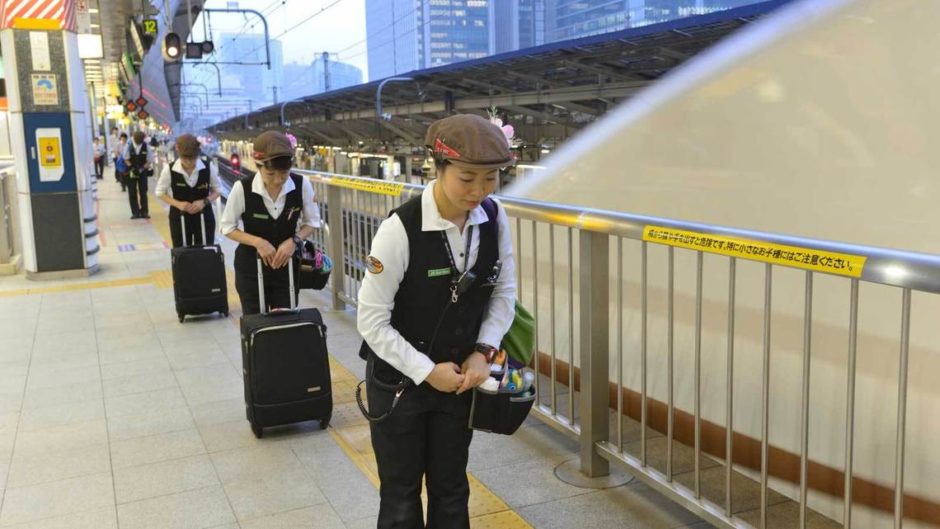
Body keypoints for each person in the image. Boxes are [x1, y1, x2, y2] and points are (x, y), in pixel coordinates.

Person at [356, 114, 517, 528]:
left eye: (491, 178)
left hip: (459, 380)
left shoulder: (495, 220)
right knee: (400, 494)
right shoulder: (400, 229)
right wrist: (427, 372)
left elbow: (504, 292)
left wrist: (483, 353)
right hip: (398, 384)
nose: (479, 191)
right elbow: (371, 321)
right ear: (439, 168)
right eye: (467, 178)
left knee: (451, 489)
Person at [219, 130, 321, 315]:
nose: (278, 180)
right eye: (270, 173)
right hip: (250, 269)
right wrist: (258, 242)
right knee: (255, 324)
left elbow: (312, 222)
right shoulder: (242, 188)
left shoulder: (301, 184)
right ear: (258, 165)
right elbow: (227, 228)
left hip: (286, 269)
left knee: (286, 322)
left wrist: (295, 241)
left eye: (284, 173)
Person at [155, 134, 221, 248]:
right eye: (185, 159)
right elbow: (160, 192)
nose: (189, 163)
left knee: (205, 252)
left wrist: (204, 201)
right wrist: (178, 204)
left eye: (193, 159)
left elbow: (218, 190)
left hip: (204, 216)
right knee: (182, 253)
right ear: (179, 153)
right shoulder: (170, 170)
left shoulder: (208, 167)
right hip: (179, 217)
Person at [124, 130, 153, 219]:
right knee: (132, 192)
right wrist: (132, 167)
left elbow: (149, 161)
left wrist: (142, 168)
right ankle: (135, 212)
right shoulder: (128, 145)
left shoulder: (146, 146)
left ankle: (144, 212)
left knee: (143, 191)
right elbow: (125, 158)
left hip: (142, 171)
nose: (138, 142)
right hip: (131, 171)